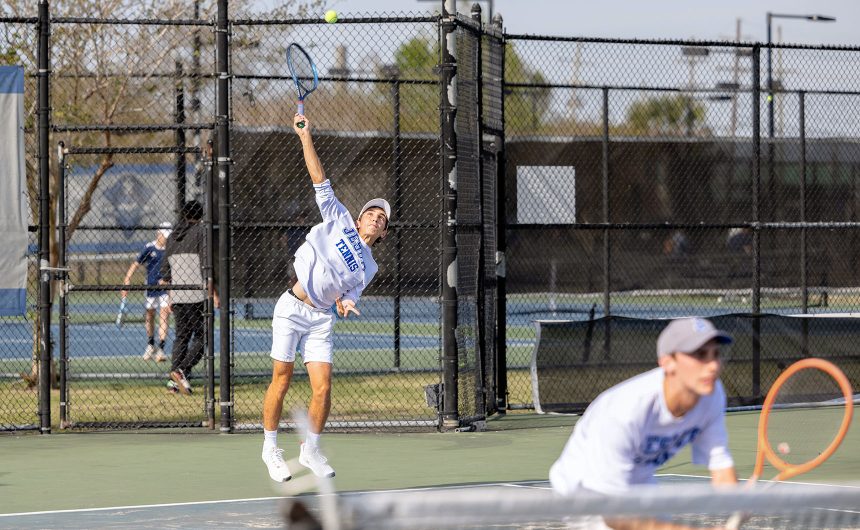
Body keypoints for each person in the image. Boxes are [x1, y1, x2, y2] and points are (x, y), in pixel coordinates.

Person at [261, 114, 390, 482]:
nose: (376, 218)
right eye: (372, 212)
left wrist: (347, 302)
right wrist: (305, 136)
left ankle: (311, 450)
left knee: (323, 388)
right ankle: (270, 448)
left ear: (382, 233)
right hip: (292, 306)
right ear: (361, 216)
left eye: (382, 219)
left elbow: (347, 296)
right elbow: (319, 177)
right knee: (281, 379)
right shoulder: (339, 217)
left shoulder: (369, 268)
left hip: (320, 320)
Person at [549, 317, 738, 530]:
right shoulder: (624, 412)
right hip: (584, 492)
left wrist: (741, 504)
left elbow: (721, 467)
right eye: (700, 355)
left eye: (716, 354)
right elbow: (614, 516)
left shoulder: (711, 394)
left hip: (639, 482)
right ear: (668, 362)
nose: (713, 366)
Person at [159, 200, 217, 396]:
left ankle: (173, 384)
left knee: (181, 337)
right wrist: (212, 292)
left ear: (184, 215)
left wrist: (170, 296)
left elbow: (165, 272)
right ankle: (180, 370)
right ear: (200, 215)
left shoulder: (173, 236)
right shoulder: (201, 231)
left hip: (177, 293)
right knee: (203, 335)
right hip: (196, 292)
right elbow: (205, 263)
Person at [122, 222, 172, 362]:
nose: (166, 239)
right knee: (149, 316)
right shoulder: (149, 248)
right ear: (159, 234)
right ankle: (150, 344)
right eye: (164, 236)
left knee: (164, 315)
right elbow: (135, 264)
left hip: (165, 288)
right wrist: (127, 280)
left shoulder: (170, 249)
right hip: (150, 288)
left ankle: (161, 349)